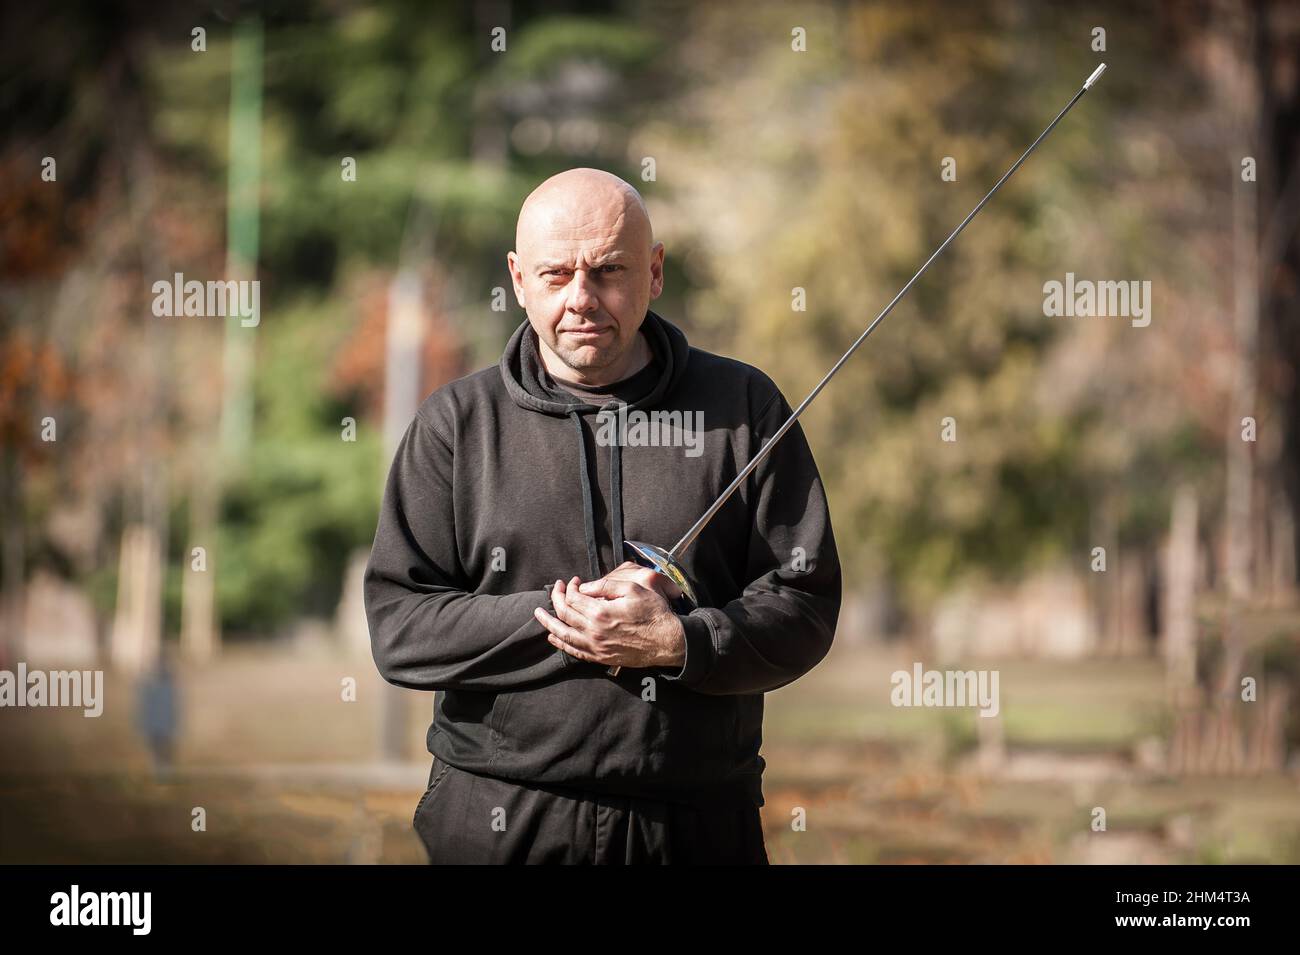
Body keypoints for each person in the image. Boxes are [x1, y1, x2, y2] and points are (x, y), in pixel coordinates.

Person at [363, 167, 841, 864]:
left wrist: (682, 643)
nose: (582, 299)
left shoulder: (745, 408)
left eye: (609, 271)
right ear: (519, 279)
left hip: (694, 825)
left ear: (654, 272)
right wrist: (571, 621)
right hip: (500, 821)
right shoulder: (457, 425)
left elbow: (805, 602)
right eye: (556, 275)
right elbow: (400, 627)